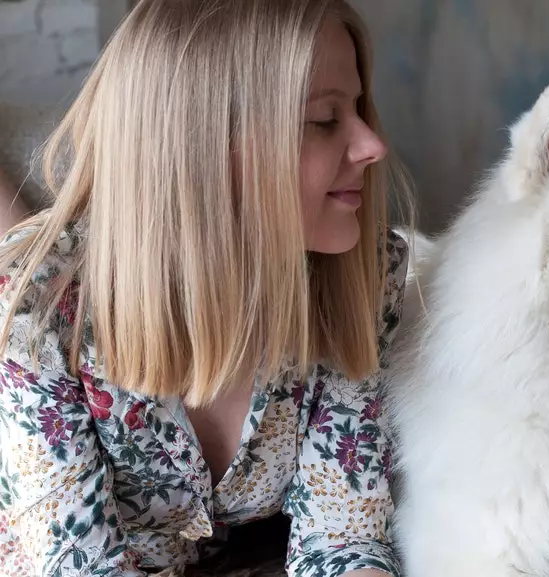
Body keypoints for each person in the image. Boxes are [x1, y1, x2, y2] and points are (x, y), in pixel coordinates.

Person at [0, 1, 413, 576]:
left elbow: (342, 535)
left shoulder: (362, 277)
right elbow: (77, 566)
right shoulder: (40, 309)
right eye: (324, 119)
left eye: (360, 108)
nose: (373, 145)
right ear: (206, 148)